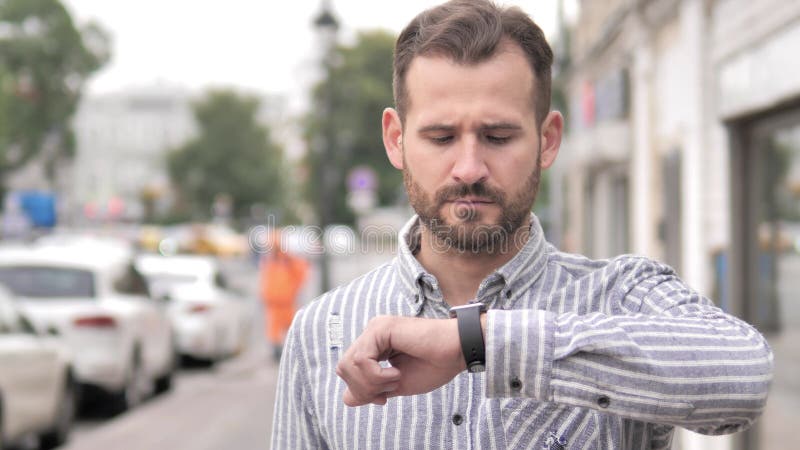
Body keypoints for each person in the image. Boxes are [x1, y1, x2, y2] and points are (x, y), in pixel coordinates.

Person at [271, 1, 773, 448]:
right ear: (396, 139)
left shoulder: (622, 296)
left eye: (497, 135)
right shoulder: (322, 330)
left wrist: (477, 341)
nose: (469, 167)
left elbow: (745, 377)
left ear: (548, 139)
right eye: (442, 137)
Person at [259, 230, 309, 361]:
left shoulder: (288, 259)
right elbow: (266, 278)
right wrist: (264, 294)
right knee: (273, 330)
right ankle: (277, 352)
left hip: (287, 301)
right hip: (273, 302)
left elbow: (301, 274)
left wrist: (293, 290)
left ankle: (295, 353)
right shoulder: (269, 260)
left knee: (291, 327)